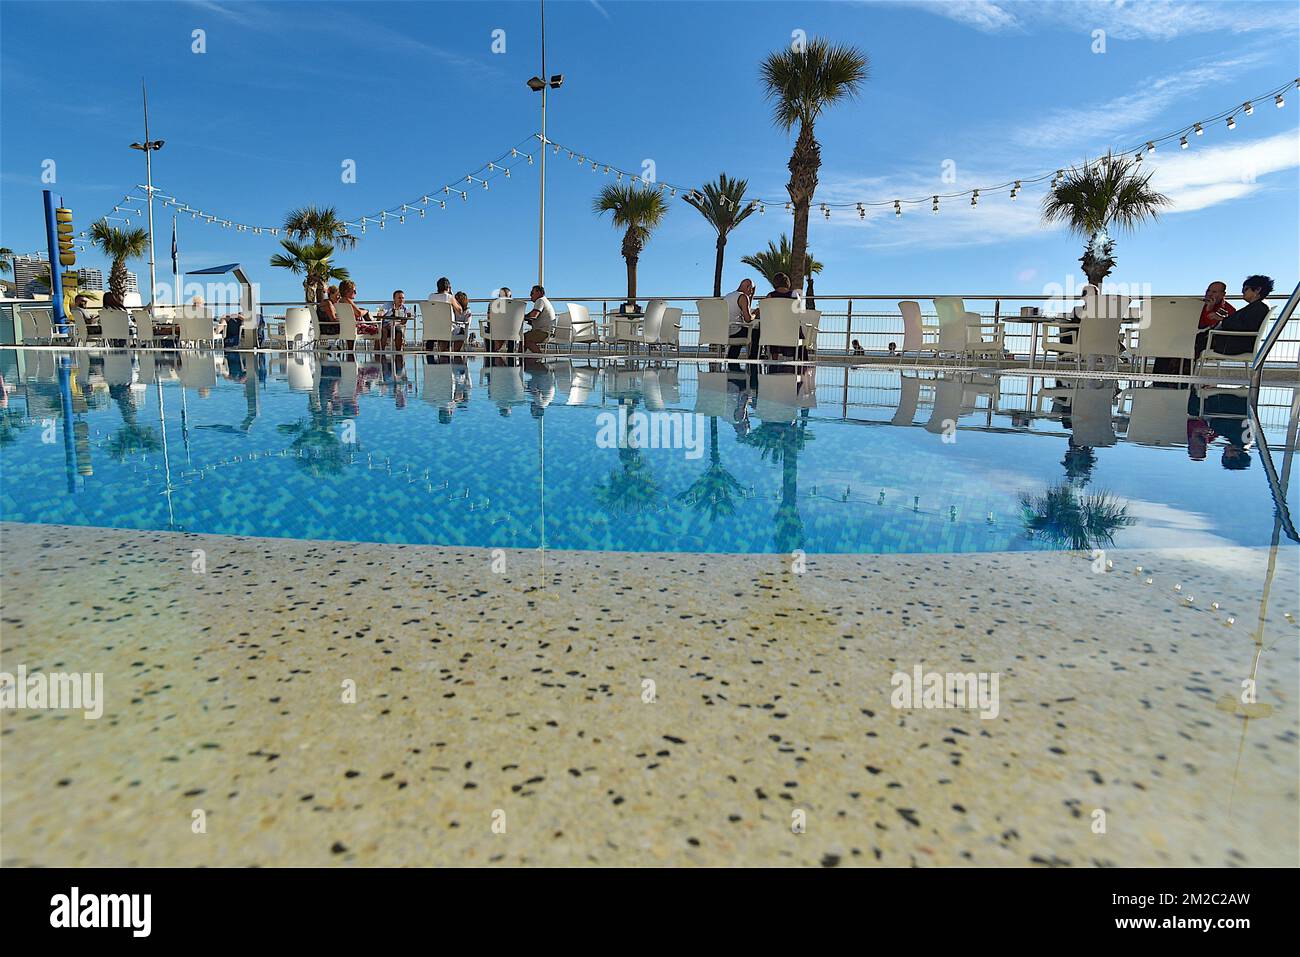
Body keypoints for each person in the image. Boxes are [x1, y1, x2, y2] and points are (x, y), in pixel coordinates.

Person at [1205, 275, 1273, 357]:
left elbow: (1244, 326)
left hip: (1232, 345)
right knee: (1197, 340)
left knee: (1194, 341)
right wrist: (1226, 317)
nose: (1242, 292)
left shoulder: (1258, 308)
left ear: (1257, 290)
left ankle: (1188, 368)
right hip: (1236, 343)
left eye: (1246, 289)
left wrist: (1221, 318)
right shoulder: (1257, 307)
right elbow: (1243, 323)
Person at [723, 279, 758, 359]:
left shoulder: (727, 296)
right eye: (751, 290)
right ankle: (753, 359)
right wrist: (755, 313)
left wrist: (751, 297)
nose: (751, 293)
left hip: (725, 331)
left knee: (742, 330)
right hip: (735, 331)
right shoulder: (743, 297)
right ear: (749, 288)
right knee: (756, 332)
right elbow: (748, 319)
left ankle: (732, 358)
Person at [338, 280, 372, 349]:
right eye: (354, 291)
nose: (356, 293)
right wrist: (366, 311)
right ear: (346, 291)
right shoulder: (347, 300)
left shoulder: (340, 302)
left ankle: (350, 353)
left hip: (347, 328)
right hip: (355, 328)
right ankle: (379, 353)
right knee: (380, 329)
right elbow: (359, 313)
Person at [424, 277, 457, 350]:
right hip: (446, 330)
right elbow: (459, 310)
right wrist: (452, 295)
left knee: (434, 331)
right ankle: (446, 355)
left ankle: (429, 357)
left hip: (432, 329)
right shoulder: (449, 297)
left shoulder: (431, 296)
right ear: (448, 287)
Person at [522, 284, 556, 353]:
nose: (530, 295)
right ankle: (523, 359)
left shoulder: (540, 300)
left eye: (532, 293)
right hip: (548, 331)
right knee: (524, 338)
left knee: (523, 338)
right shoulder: (544, 301)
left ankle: (538, 356)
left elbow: (534, 315)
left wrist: (521, 317)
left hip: (544, 332)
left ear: (539, 293)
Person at [484, 286, 511, 352]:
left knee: (489, 329)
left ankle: (493, 352)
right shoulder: (515, 304)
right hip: (511, 330)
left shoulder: (492, 304)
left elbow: (489, 318)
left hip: (495, 329)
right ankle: (509, 352)